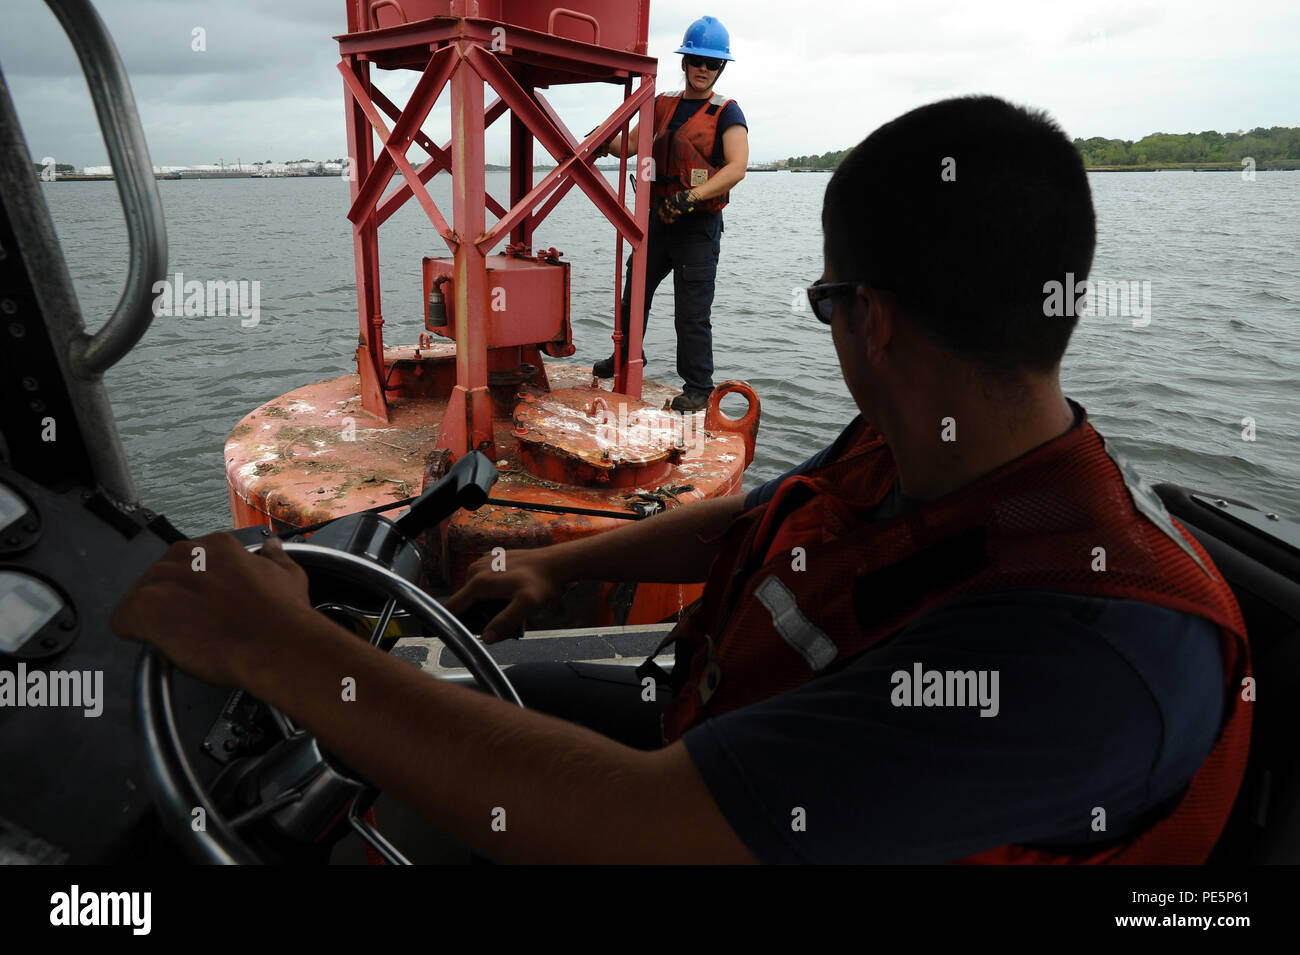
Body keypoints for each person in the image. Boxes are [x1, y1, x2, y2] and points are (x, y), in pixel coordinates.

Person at [113, 95, 1250, 864]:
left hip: (704, 811)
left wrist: (274, 649)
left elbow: (635, 824)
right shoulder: (932, 440)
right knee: (477, 684)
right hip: (719, 723)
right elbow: (756, 524)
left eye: (825, 300)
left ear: (877, 321)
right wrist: (552, 564)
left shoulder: (1081, 655)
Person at [591, 15, 749, 414]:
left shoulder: (727, 113)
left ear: (721, 68)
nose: (703, 69)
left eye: (711, 64)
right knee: (633, 295)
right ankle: (625, 356)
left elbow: (737, 167)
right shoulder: (662, 106)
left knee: (691, 312)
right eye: (696, 60)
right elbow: (626, 144)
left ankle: (697, 387)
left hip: (697, 228)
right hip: (658, 221)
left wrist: (691, 198)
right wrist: (595, 141)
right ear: (684, 62)